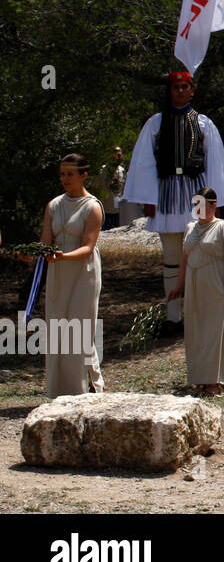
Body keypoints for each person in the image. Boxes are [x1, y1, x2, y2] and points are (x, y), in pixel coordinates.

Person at [123, 71, 224, 331]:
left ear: (192, 90)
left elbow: (214, 163)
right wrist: (149, 198)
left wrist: (212, 200)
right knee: (172, 255)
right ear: (169, 90)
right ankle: (174, 317)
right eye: (176, 87)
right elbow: (145, 163)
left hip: (195, 190)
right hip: (167, 193)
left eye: (185, 87)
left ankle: (201, 312)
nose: (180, 91)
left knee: (201, 251)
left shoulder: (205, 123)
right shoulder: (155, 123)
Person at [36, 153, 105, 396]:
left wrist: (63, 256)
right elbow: (46, 240)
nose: (65, 179)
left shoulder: (92, 207)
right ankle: (59, 390)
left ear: (83, 175)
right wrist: (34, 254)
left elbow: (88, 247)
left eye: (70, 174)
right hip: (58, 271)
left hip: (83, 272)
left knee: (80, 326)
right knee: (58, 325)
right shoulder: (53, 205)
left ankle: (88, 387)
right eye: (62, 174)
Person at [169, 188, 224, 396]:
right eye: (195, 205)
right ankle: (197, 378)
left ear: (213, 205)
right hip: (193, 283)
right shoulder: (190, 228)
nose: (197, 209)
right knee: (195, 330)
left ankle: (213, 381)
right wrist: (179, 286)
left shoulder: (223, 227)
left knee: (214, 331)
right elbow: (184, 259)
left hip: (214, 281)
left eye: (201, 205)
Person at [96, 146, 125, 231]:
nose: (117, 155)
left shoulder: (122, 171)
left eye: (119, 153)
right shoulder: (102, 170)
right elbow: (95, 189)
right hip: (104, 212)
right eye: (114, 152)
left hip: (119, 213)